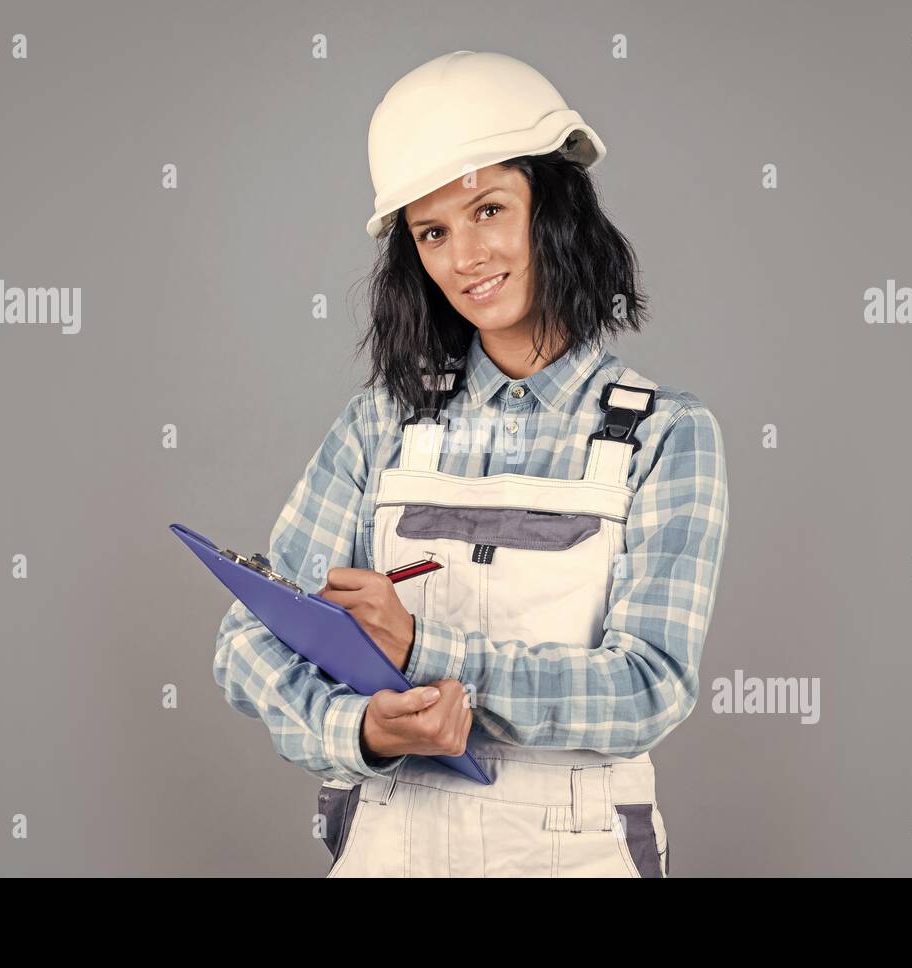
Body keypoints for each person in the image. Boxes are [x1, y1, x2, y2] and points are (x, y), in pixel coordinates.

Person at [212, 50, 729, 877]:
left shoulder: (664, 435)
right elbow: (247, 643)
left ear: (554, 209)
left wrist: (423, 648)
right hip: (390, 845)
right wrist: (361, 732)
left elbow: (647, 687)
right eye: (433, 231)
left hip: (576, 856)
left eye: (489, 208)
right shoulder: (379, 425)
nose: (466, 257)